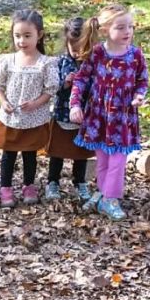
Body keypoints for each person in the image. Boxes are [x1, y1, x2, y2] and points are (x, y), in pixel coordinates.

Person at [69, 3, 148, 220]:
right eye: (121, 27)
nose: (127, 32)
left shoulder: (135, 55)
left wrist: (139, 95)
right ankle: (103, 194)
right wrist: (75, 104)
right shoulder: (97, 54)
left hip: (123, 117)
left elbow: (142, 80)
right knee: (103, 159)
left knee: (118, 160)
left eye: (130, 27)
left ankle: (110, 198)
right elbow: (81, 79)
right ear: (105, 30)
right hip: (99, 117)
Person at [0, 9, 59, 207]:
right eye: (17, 36)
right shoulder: (7, 61)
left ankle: (29, 185)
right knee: (8, 154)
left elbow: (50, 89)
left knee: (29, 154)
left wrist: (36, 103)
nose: (22, 41)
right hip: (10, 118)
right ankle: (5, 188)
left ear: (40, 35)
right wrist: (3, 101)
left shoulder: (46, 63)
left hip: (34, 118)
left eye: (27, 36)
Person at [45, 15, 97, 202]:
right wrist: (65, 83)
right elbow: (51, 86)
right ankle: (53, 181)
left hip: (83, 115)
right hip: (61, 113)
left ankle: (80, 181)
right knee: (57, 151)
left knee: (80, 152)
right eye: (73, 48)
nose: (77, 53)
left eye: (81, 48)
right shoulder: (59, 62)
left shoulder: (91, 62)